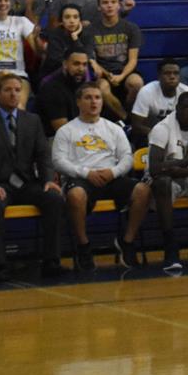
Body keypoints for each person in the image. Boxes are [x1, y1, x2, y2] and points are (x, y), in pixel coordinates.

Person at [0, 73, 64, 281]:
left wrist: (48, 179)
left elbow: (43, 153)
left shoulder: (32, 120)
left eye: (17, 90)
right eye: (8, 90)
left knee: (54, 198)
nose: (13, 94)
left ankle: (52, 260)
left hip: (26, 183)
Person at [120, 91, 188, 274]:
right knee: (162, 182)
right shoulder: (161, 129)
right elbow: (154, 168)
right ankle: (171, 248)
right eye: (187, 108)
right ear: (177, 109)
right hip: (168, 182)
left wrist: (184, 169)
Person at [53, 81, 135, 272]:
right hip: (82, 177)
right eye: (88, 98)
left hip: (110, 175)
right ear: (78, 102)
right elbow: (58, 161)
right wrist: (86, 173)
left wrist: (113, 172)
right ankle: (83, 246)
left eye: (97, 97)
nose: (94, 102)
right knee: (75, 195)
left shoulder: (114, 128)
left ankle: (127, 241)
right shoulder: (66, 130)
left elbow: (127, 158)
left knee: (142, 190)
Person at [83, 0, 141, 118]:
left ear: (119, 5)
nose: (109, 5)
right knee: (102, 88)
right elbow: (92, 59)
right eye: (105, 2)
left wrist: (121, 76)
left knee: (137, 83)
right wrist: (107, 74)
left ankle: (133, 116)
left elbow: (133, 59)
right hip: (103, 74)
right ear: (99, 7)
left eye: (113, 2)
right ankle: (125, 118)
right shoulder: (90, 30)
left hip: (125, 71)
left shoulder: (131, 28)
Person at [34, 50, 92, 135]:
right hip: (55, 140)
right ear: (65, 64)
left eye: (84, 64)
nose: (81, 69)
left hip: (82, 136)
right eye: (76, 64)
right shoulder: (52, 89)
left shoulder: (85, 86)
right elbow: (63, 131)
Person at [130, 59, 185, 139]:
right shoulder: (147, 92)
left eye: (176, 73)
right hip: (151, 135)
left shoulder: (187, 92)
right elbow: (136, 126)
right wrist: (160, 137)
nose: (172, 77)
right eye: (167, 73)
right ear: (159, 76)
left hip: (178, 136)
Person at [39, 3, 91, 80]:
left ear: (80, 21)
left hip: (79, 73)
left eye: (75, 17)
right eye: (67, 17)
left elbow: (87, 58)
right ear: (61, 21)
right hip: (55, 74)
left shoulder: (86, 36)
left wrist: (75, 38)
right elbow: (56, 61)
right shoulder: (54, 35)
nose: (72, 21)